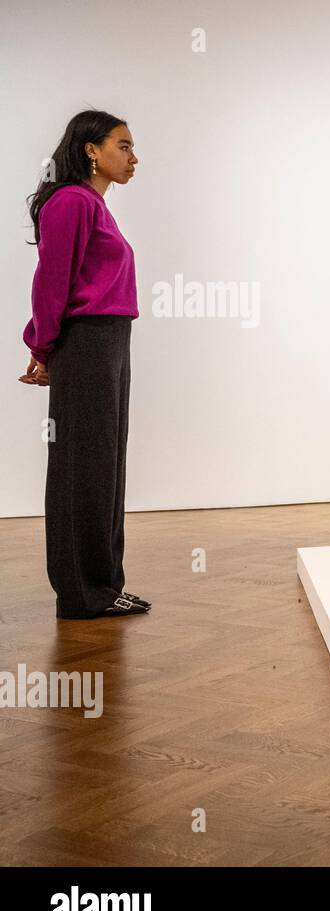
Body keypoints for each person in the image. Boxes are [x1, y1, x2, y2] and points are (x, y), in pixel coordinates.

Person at [18, 110, 150, 617]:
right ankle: (80, 591)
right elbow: (52, 283)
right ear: (91, 149)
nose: (133, 157)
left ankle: (103, 584)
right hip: (87, 343)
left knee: (106, 463)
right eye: (123, 145)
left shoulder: (94, 205)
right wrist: (42, 346)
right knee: (83, 466)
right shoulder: (71, 201)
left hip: (111, 340)